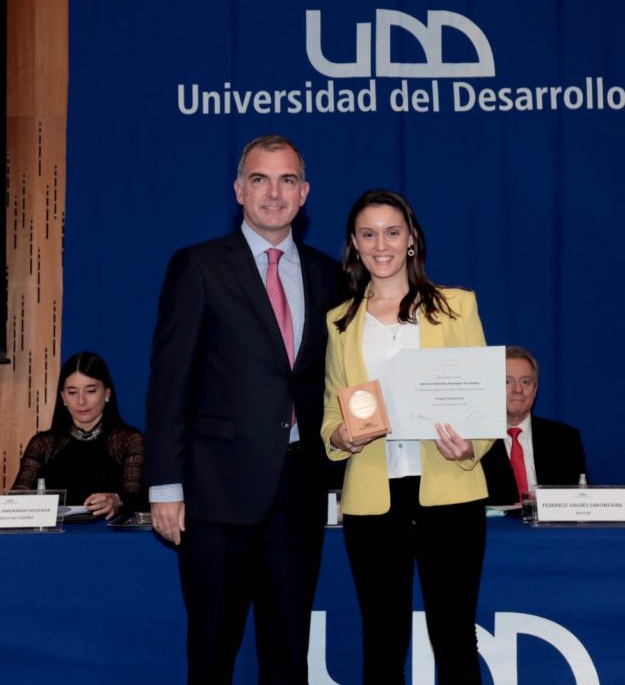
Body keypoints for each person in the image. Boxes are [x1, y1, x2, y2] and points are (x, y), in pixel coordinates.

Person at [145, 134, 343, 684]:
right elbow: (169, 382)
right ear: (239, 190)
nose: (273, 193)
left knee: (287, 658)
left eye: (286, 181)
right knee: (212, 653)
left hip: (298, 489)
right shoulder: (199, 266)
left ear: (304, 193)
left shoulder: (330, 276)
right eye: (259, 179)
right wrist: (164, 485)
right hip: (214, 494)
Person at [321, 189, 493, 685]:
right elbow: (333, 408)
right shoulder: (340, 322)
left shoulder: (457, 307)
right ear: (354, 243)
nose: (382, 245)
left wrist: (470, 447)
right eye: (369, 234)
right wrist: (341, 436)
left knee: (455, 636)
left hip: (450, 492)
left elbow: (482, 399)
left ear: (412, 239)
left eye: (392, 232)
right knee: (381, 639)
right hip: (373, 500)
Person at [12, 350, 145, 517]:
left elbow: (138, 498)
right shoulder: (43, 444)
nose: (81, 401)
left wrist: (116, 500)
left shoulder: (129, 440)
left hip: (110, 539)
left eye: (90, 391)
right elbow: (16, 501)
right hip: (52, 541)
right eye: (72, 392)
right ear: (63, 398)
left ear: (107, 394)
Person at [481, 346, 588, 505]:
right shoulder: (477, 443)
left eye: (525, 382)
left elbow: (582, 500)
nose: (518, 390)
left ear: (535, 390)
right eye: (507, 382)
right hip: (499, 529)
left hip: (551, 529)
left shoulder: (565, 439)